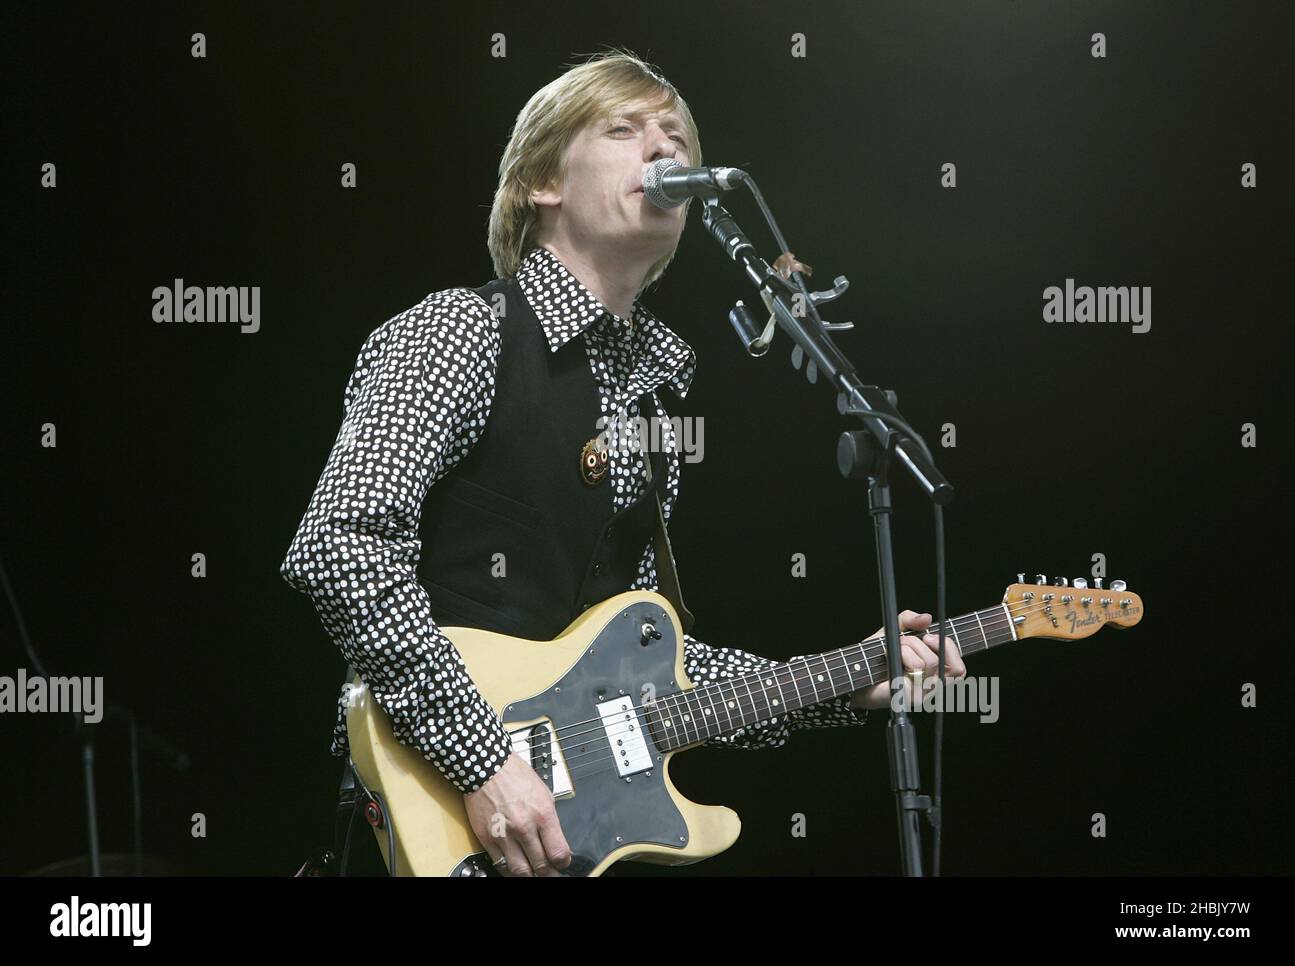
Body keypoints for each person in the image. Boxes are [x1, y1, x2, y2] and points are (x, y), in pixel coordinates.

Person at [279, 48, 965, 877]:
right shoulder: (462, 333)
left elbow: (647, 668)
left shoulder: (653, 402)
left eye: (676, 136)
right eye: (624, 129)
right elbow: (340, 546)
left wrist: (843, 679)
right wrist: (483, 760)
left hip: (557, 846)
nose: (665, 148)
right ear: (543, 181)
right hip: (431, 822)